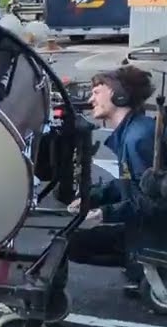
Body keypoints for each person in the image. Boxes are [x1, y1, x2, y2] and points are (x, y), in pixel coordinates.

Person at [67, 65, 161, 295]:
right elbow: (130, 183)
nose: (91, 99)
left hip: (154, 230)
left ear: (118, 95)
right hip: (147, 227)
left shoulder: (137, 139)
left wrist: (103, 214)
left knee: (71, 242)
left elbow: (152, 203)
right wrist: (94, 197)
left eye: (97, 91)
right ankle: (140, 265)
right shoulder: (134, 132)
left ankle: (149, 266)